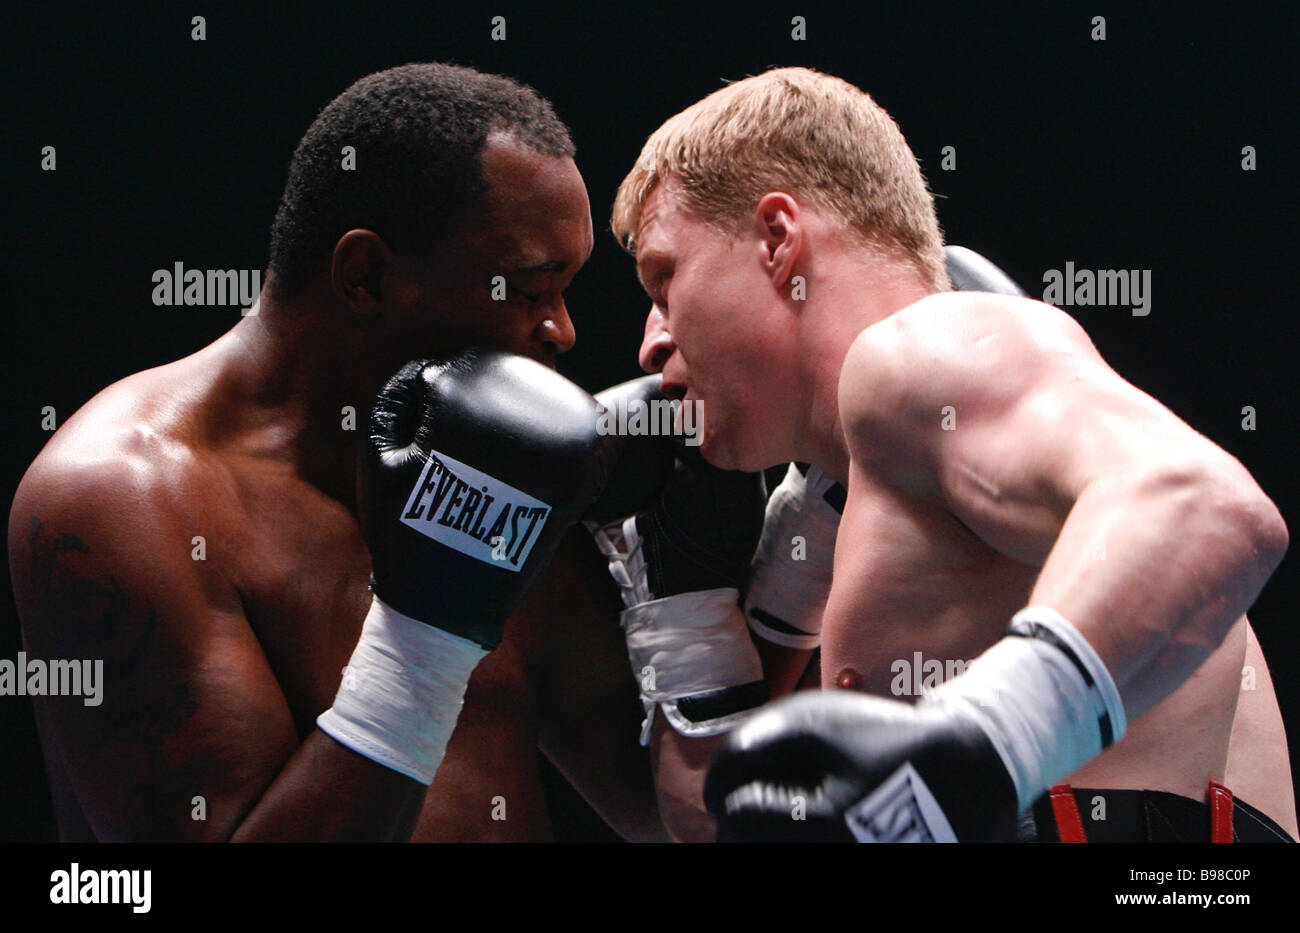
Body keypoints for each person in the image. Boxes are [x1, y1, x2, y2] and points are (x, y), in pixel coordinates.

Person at [610, 66, 1296, 842]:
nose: (650, 342)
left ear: (777, 238)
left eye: (664, 281)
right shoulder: (870, 498)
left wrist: (992, 733)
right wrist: (692, 617)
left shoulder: (924, 349)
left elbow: (1210, 505)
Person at [7, 62, 671, 842]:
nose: (561, 330)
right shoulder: (124, 495)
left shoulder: (491, 460)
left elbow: (673, 811)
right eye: (527, 287)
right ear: (366, 276)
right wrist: (427, 634)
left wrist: (731, 578)